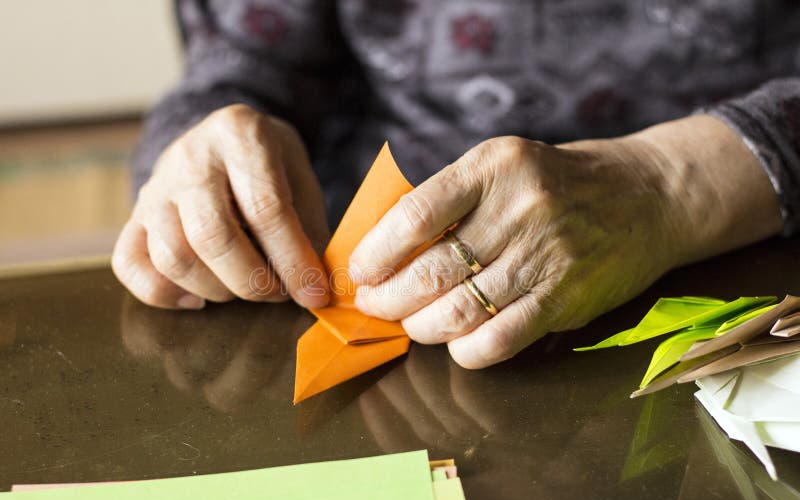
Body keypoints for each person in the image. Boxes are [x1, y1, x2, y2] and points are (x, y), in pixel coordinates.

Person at [113, 1, 798, 369]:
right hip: (396, 295)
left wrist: (669, 182)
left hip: (759, 267)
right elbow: (246, 57)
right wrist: (203, 145)